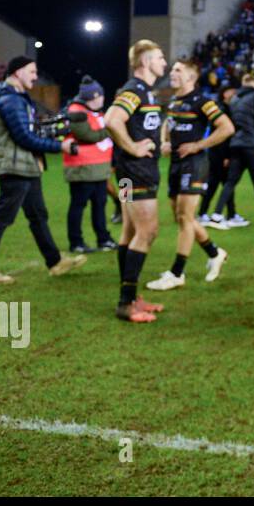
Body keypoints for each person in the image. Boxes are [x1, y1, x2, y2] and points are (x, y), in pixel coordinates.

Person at [0, 55, 86, 284]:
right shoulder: (10, 100)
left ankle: (54, 261)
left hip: (26, 165)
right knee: (3, 217)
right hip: (15, 167)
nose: (36, 77)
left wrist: (54, 132)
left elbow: (30, 132)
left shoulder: (16, 98)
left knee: (38, 216)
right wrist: (60, 146)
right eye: (32, 72)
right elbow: (25, 137)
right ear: (17, 73)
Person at [144, 58, 233, 290]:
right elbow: (168, 123)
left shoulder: (203, 101)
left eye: (178, 70)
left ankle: (177, 273)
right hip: (175, 163)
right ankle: (214, 253)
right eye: (172, 69)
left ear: (191, 77)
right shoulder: (175, 100)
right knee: (182, 217)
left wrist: (197, 146)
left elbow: (227, 127)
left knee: (185, 218)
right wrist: (164, 141)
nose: (172, 73)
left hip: (194, 163)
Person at [102, 40, 170, 322]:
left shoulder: (147, 92)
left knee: (129, 231)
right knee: (148, 231)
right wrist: (133, 148)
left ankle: (130, 296)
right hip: (137, 172)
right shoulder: (134, 90)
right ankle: (125, 304)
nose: (164, 63)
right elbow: (112, 120)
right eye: (159, 57)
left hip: (129, 174)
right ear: (145, 62)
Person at [209, 74, 254, 230]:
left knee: (230, 182)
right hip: (252, 145)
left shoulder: (234, 99)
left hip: (236, 145)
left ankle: (216, 215)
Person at [63, 76, 117, 254]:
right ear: (92, 97)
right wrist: (110, 130)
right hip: (83, 167)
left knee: (100, 204)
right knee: (79, 205)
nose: (102, 99)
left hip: (100, 168)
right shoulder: (77, 111)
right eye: (99, 96)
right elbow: (88, 135)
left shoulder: (95, 112)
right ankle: (76, 242)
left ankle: (104, 238)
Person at [199, 84, 242, 226]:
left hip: (217, 152)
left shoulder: (223, 108)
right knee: (216, 184)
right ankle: (204, 213)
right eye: (232, 91)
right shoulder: (222, 110)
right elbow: (222, 135)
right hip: (219, 153)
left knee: (224, 183)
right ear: (225, 94)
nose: (235, 93)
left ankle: (230, 213)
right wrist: (226, 156)